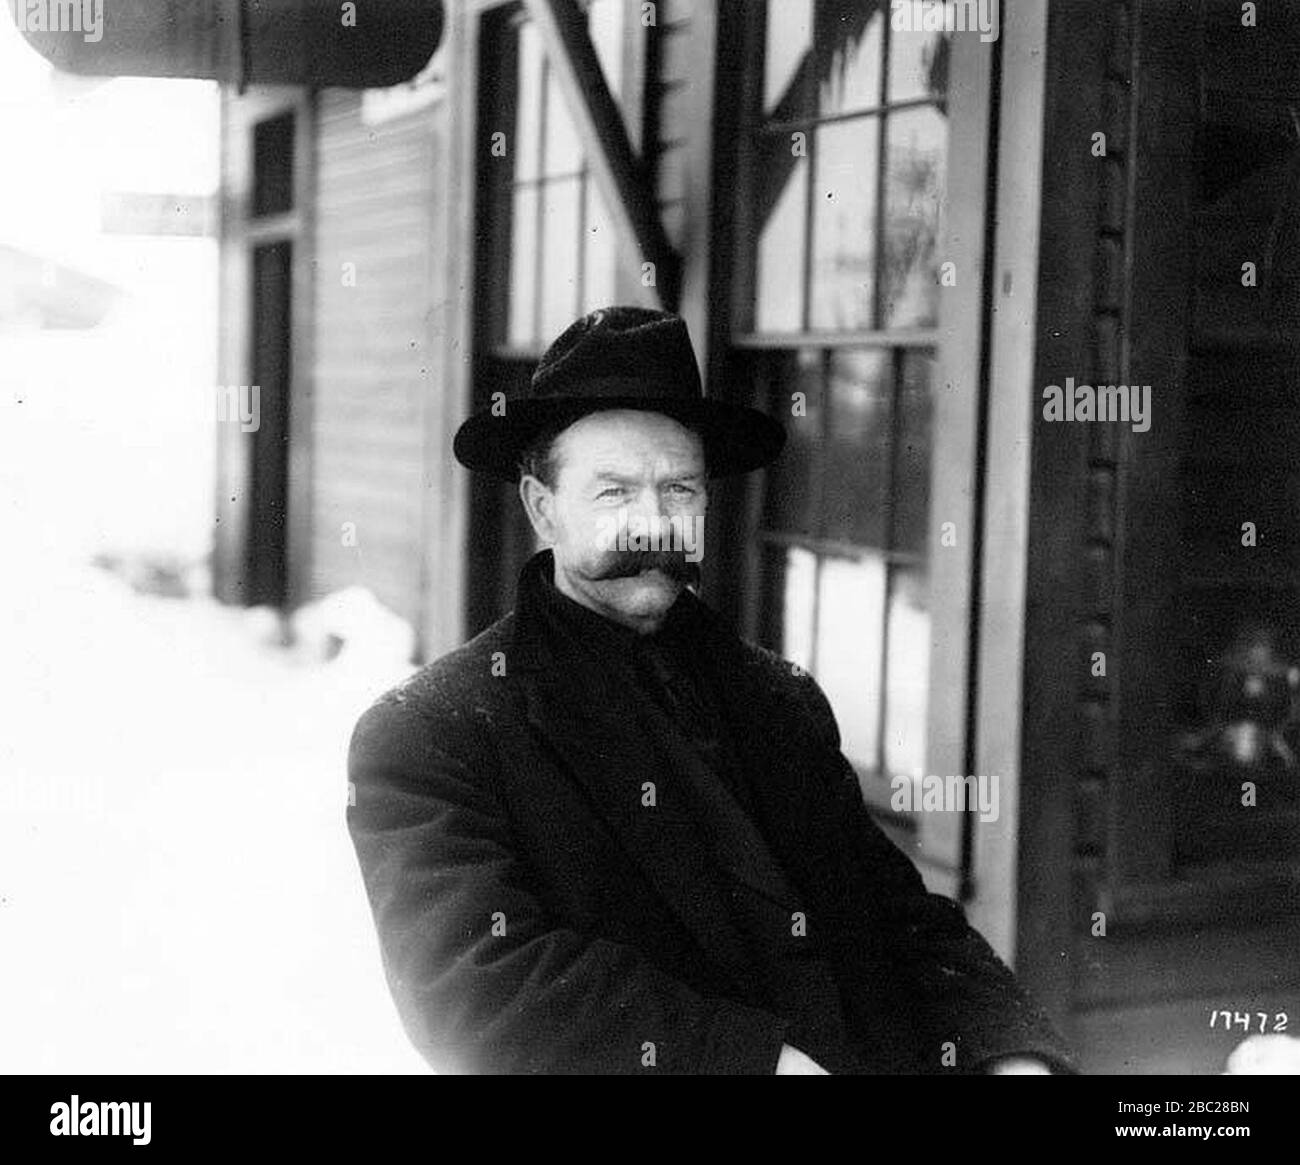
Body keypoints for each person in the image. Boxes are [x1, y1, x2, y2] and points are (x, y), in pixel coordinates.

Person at [346, 306, 1074, 1075]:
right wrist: (756, 1063)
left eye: (680, 490)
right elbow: (481, 993)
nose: (655, 524)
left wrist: (1008, 1050)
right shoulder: (435, 734)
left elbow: (893, 917)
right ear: (541, 507)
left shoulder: (780, 700)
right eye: (615, 492)